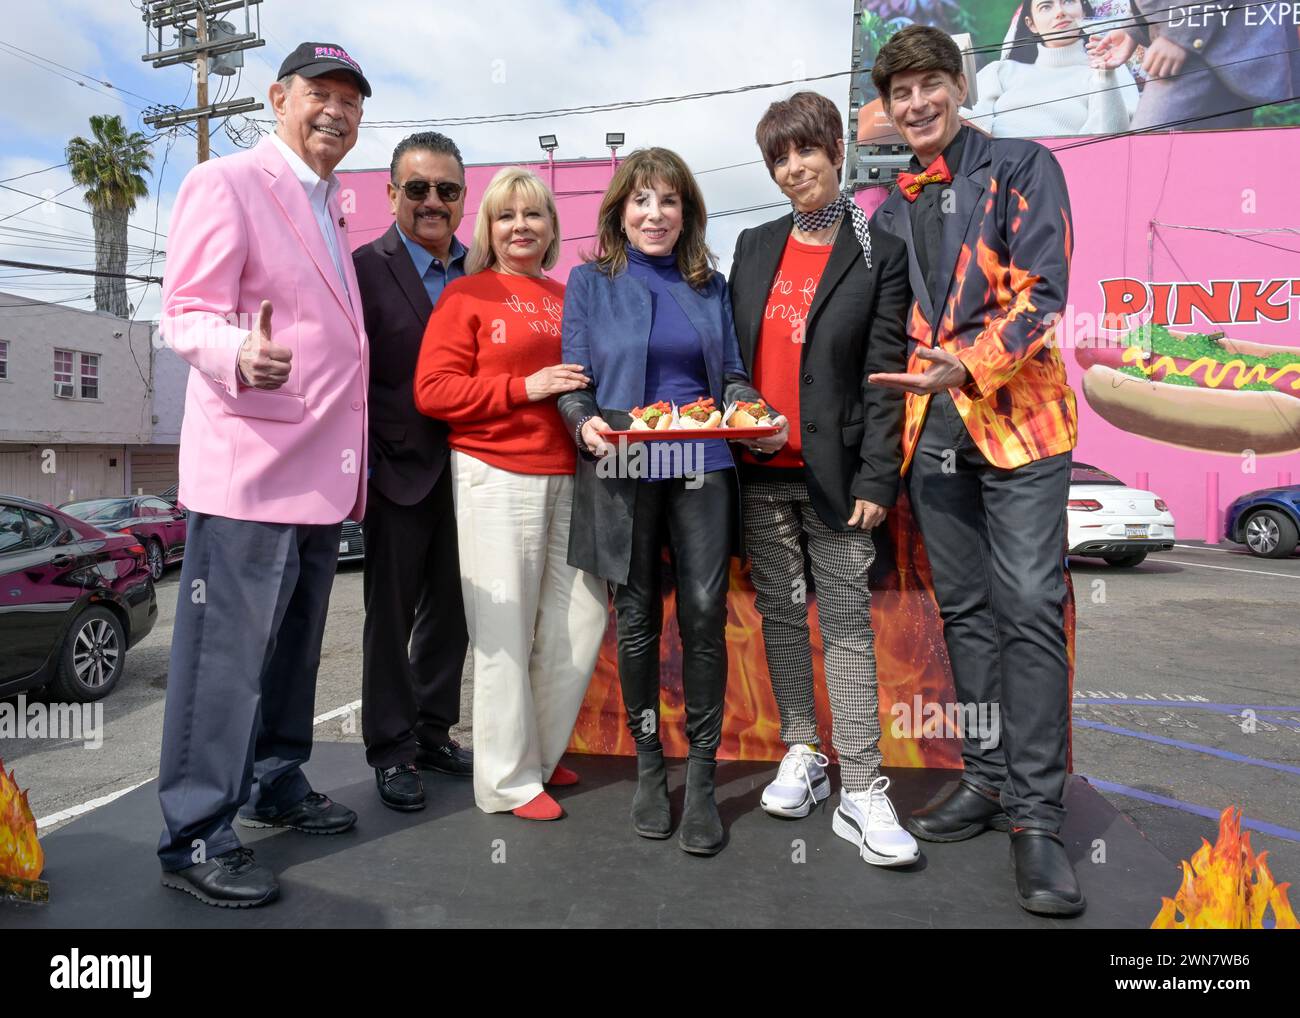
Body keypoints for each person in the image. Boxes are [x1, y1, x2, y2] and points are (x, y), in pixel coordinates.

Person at [868, 25, 1084, 916]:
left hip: (1021, 422)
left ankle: (1038, 817)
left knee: (1030, 606)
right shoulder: (887, 205)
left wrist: (970, 364)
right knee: (964, 610)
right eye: (901, 92)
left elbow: (1046, 291)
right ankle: (988, 778)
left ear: (960, 85)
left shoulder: (1025, 166)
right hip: (934, 434)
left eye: (930, 85)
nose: (917, 103)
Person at [155, 42, 373, 908]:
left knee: (294, 649)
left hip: (319, 472)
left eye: (351, 102)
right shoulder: (228, 181)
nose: (336, 111)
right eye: (320, 94)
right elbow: (185, 316)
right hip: (249, 469)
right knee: (224, 662)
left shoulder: (333, 206)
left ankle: (277, 778)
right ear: (277, 97)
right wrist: (238, 350)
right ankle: (195, 833)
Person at [556, 148, 788, 856]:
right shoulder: (590, 283)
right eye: (641, 201)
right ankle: (651, 768)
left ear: (687, 212)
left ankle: (704, 775)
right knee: (634, 620)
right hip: (623, 461)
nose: (654, 215)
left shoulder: (709, 285)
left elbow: (732, 378)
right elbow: (574, 382)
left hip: (703, 461)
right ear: (620, 211)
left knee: (704, 617)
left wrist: (754, 412)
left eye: (669, 202)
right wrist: (582, 419)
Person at [728, 91, 919, 868]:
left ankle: (864, 788)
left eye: (806, 150)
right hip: (760, 474)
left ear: (837, 149)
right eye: (780, 156)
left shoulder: (880, 249)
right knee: (780, 617)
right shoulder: (752, 244)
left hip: (841, 479)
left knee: (844, 626)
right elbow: (732, 358)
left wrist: (880, 474)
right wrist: (740, 400)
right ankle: (803, 754)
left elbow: (883, 373)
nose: (794, 168)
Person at [414, 167, 608, 822]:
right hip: (496, 473)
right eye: (506, 215)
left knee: (580, 622)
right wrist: (526, 388)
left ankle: (538, 758)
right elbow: (433, 393)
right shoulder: (465, 295)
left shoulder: (568, 294)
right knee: (504, 631)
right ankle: (505, 781)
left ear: (553, 226)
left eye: (534, 214)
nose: (521, 225)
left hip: (572, 474)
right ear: (488, 228)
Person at [353, 132, 472, 813]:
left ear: (462, 199)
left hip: (474, 473)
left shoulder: (481, 271)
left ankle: (431, 732)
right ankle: (391, 750)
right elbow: (350, 379)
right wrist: (360, 467)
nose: (432, 202)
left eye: (446, 190)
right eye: (418, 188)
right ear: (392, 192)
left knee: (451, 615)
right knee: (388, 618)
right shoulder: (364, 269)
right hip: (396, 473)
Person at [1088, 1, 1300, 131]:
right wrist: (1136, 27)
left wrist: (1180, 33)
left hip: (1206, 43)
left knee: (1147, 161)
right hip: (1210, 39)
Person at [962, 0, 1137, 137]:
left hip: (1066, 170)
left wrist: (1105, 74)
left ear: (1083, 11)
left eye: (1068, 1)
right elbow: (971, 126)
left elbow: (1113, 139)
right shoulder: (1000, 71)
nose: (1060, 12)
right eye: (1046, 6)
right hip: (998, 170)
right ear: (1031, 24)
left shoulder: (1109, 69)